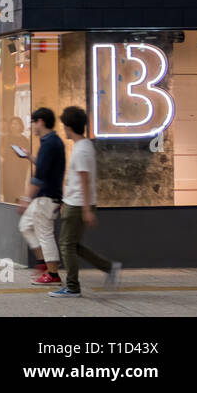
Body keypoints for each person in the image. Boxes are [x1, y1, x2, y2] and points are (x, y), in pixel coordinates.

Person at [50, 106, 121, 298]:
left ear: (69, 127)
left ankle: (72, 286)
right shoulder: (86, 145)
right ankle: (108, 267)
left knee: (66, 245)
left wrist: (86, 210)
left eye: (64, 126)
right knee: (73, 244)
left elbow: (84, 181)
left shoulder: (81, 151)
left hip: (78, 204)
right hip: (76, 202)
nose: (63, 129)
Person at [17, 107, 65, 285]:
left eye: (33, 123)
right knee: (25, 226)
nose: (32, 127)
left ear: (40, 122)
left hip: (46, 197)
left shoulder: (50, 143)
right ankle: (43, 264)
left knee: (45, 235)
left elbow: (39, 177)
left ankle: (53, 274)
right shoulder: (51, 142)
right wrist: (30, 157)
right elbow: (44, 166)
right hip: (45, 197)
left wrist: (26, 199)